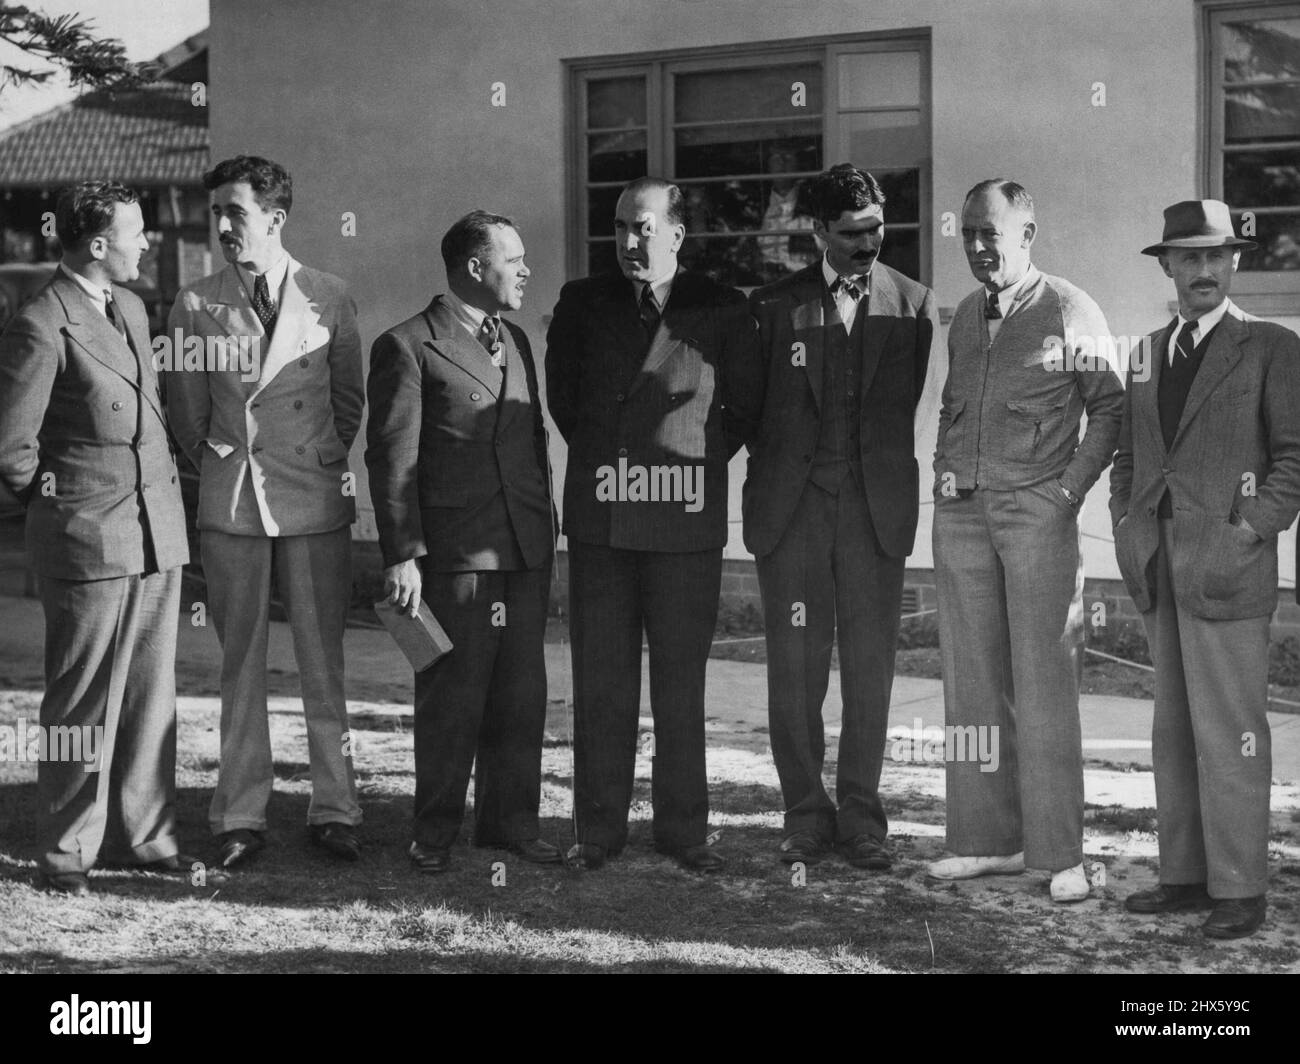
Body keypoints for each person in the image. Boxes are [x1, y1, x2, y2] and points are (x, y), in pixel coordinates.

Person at [545, 176, 761, 872]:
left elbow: (745, 410)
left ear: (676, 233)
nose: (629, 242)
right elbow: (567, 403)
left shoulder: (721, 307)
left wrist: (685, 463)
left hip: (684, 524)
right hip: (604, 522)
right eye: (619, 228)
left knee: (680, 685)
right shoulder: (583, 303)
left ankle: (684, 832)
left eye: (643, 227)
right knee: (602, 683)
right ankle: (598, 831)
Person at [926, 179, 1123, 902]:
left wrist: (1066, 492)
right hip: (962, 517)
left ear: (1028, 233)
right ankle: (986, 841)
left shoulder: (1071, 308)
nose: (978, 247)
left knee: (1043, 687)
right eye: (969, 233)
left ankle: (1060, 854)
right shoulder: (966, 318)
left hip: (1037, 515)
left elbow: (1109, 411)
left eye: (992, 234)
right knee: (970, 686)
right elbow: (955, 405)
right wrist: (944, 472)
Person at [166, 156, 365, 868]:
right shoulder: (193, 304)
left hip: (312, 499)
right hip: (235, 501)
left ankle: (336, 809)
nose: (222, 226)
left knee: (323, 662)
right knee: (239, 663)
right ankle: (239, 814)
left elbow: (348, 401)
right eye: (216, 212)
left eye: (235, 213)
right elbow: (185, 415)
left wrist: (314, 458)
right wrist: (224, 465)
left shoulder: (330, 295)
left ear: (275, 219)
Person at [1114, 200, 1300, 938]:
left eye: (1215, 256)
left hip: (1230, 567)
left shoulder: (1270, 348)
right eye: (1187, 257)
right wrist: (1128, 527)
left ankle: (1240, 890)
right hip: (1160, 566)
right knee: (1174, 731)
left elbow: (1294, 459)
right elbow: (1132, 457)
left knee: (1232, 734)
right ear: (1166, 266)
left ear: (1235, 263)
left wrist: (1246, 531)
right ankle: (1185, 877)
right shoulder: (1144, 353)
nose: (1203, 270)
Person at [744, 164, 936, 869]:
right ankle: (803, 814)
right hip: (791, 514)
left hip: (874, 515)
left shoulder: (913, 305)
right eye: (852, 233)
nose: (868, 244)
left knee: (869, 670)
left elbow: (899, 406)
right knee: (795, 669)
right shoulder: (772, 306)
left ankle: (861, 819)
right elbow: (749, 408)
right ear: (819, 231)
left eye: (877, 229)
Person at [0, 182, 190, 894]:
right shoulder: (41, 322)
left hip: (154, 535)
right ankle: (66, 852)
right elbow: (11, 447)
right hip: (88, 542)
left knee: (152, 694)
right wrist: (64, 510)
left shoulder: (133, 308)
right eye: (138, 232)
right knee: (80, 701)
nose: (150, 243)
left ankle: (147, 836)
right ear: (99, 244)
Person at [365, 210, 557, 873]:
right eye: (515, 259)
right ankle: (434, 833)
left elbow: (534, 447)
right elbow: (391, 460)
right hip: (455, 557)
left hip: (523, 550)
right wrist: (402, 554)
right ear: (476, 268)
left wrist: (546, 531)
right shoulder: (408, 345)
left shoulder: (521, 341)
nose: (526, 270)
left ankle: (511, 826)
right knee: (452, 699)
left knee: (521, 696)